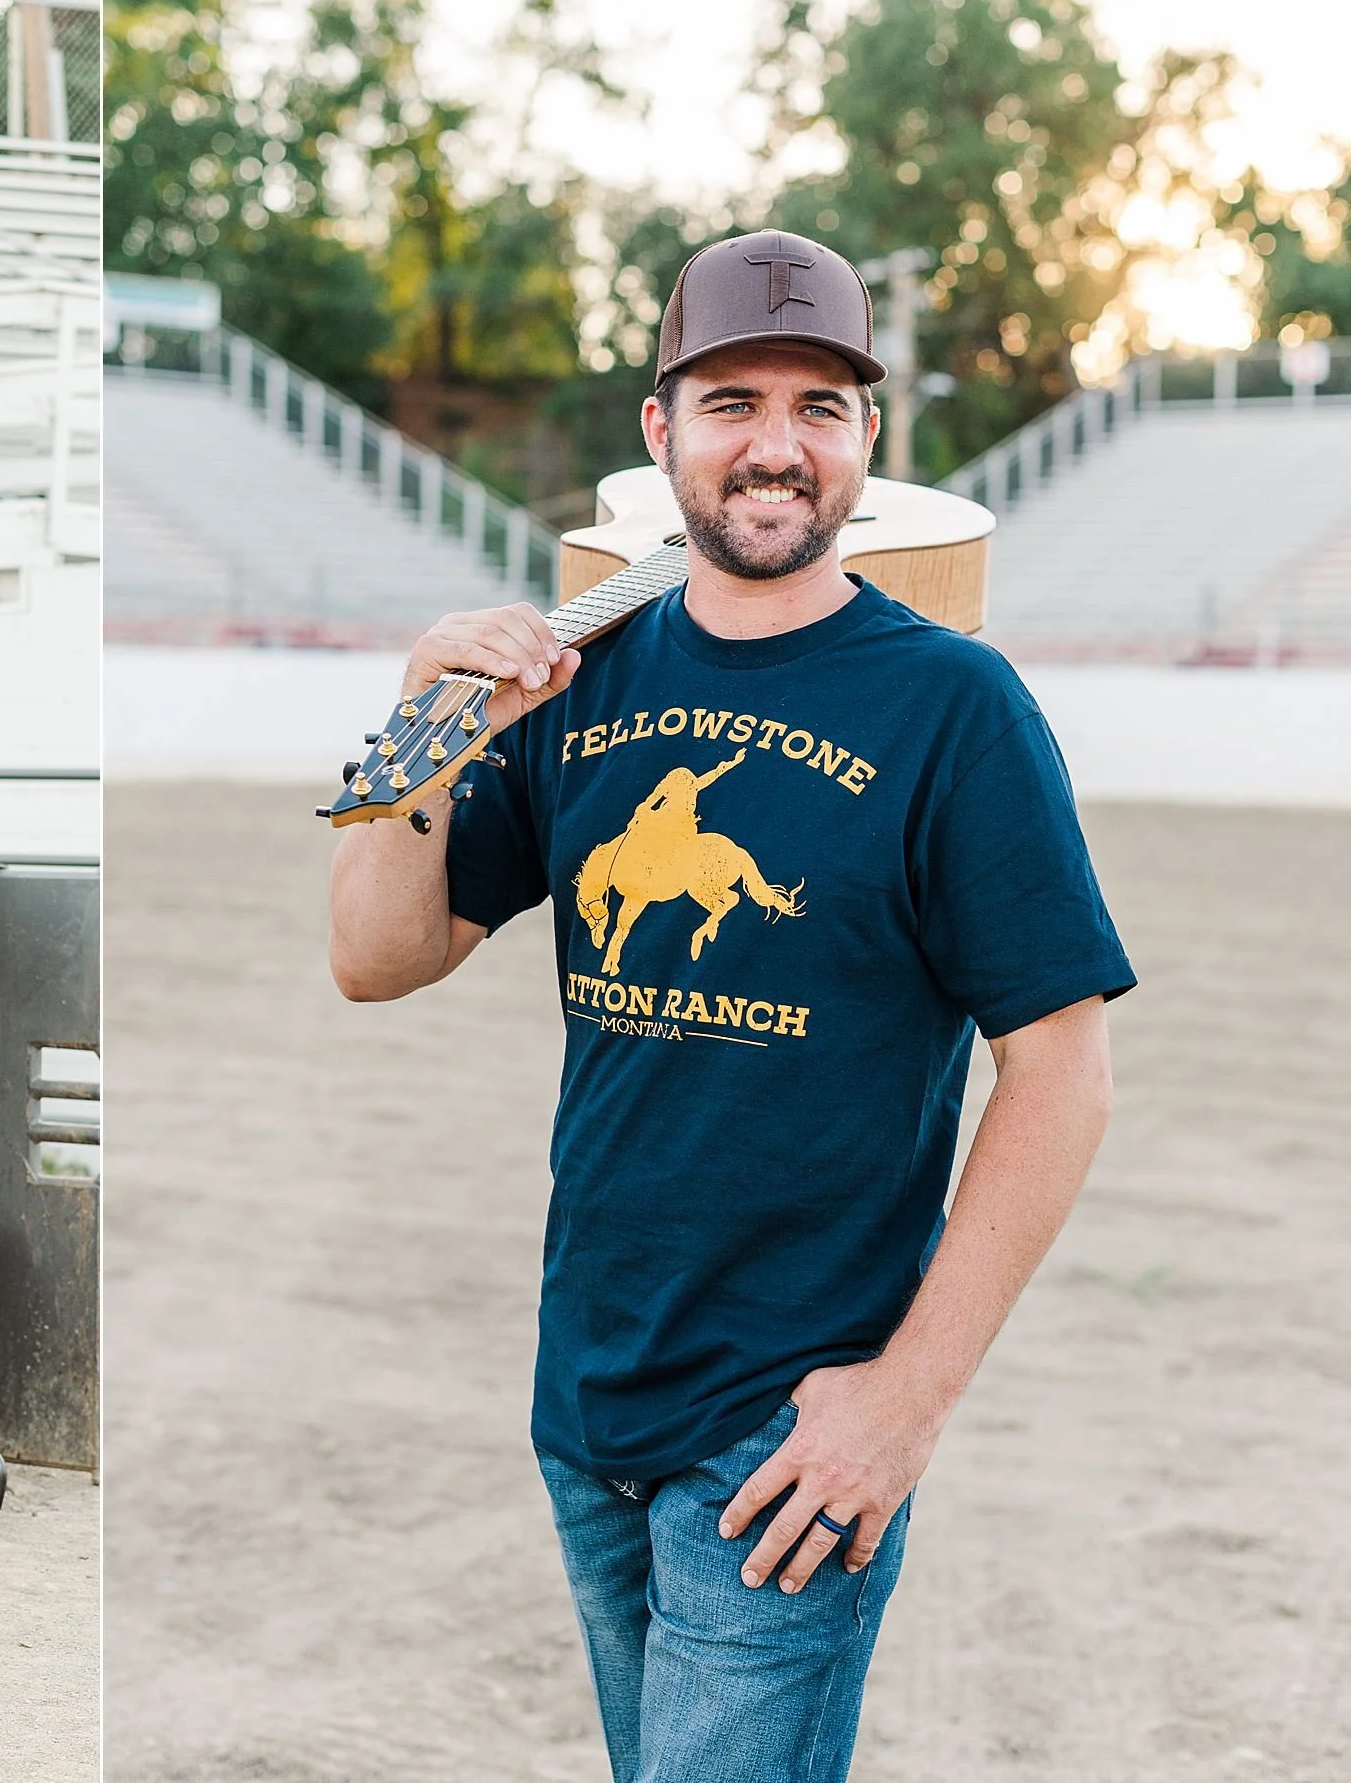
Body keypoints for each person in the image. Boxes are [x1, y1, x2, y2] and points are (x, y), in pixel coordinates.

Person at [327, 230, 1133, 1781]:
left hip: (791, 1427)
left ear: (868, 444)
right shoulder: (588, 673)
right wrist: (424, 726)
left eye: (820, 407)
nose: (777, 445)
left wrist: (905, 1400)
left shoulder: (954, 704)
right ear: (662, 432)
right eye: (734, 402)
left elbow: (1063, 1070)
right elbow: (379, 956)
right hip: (592, 1388)